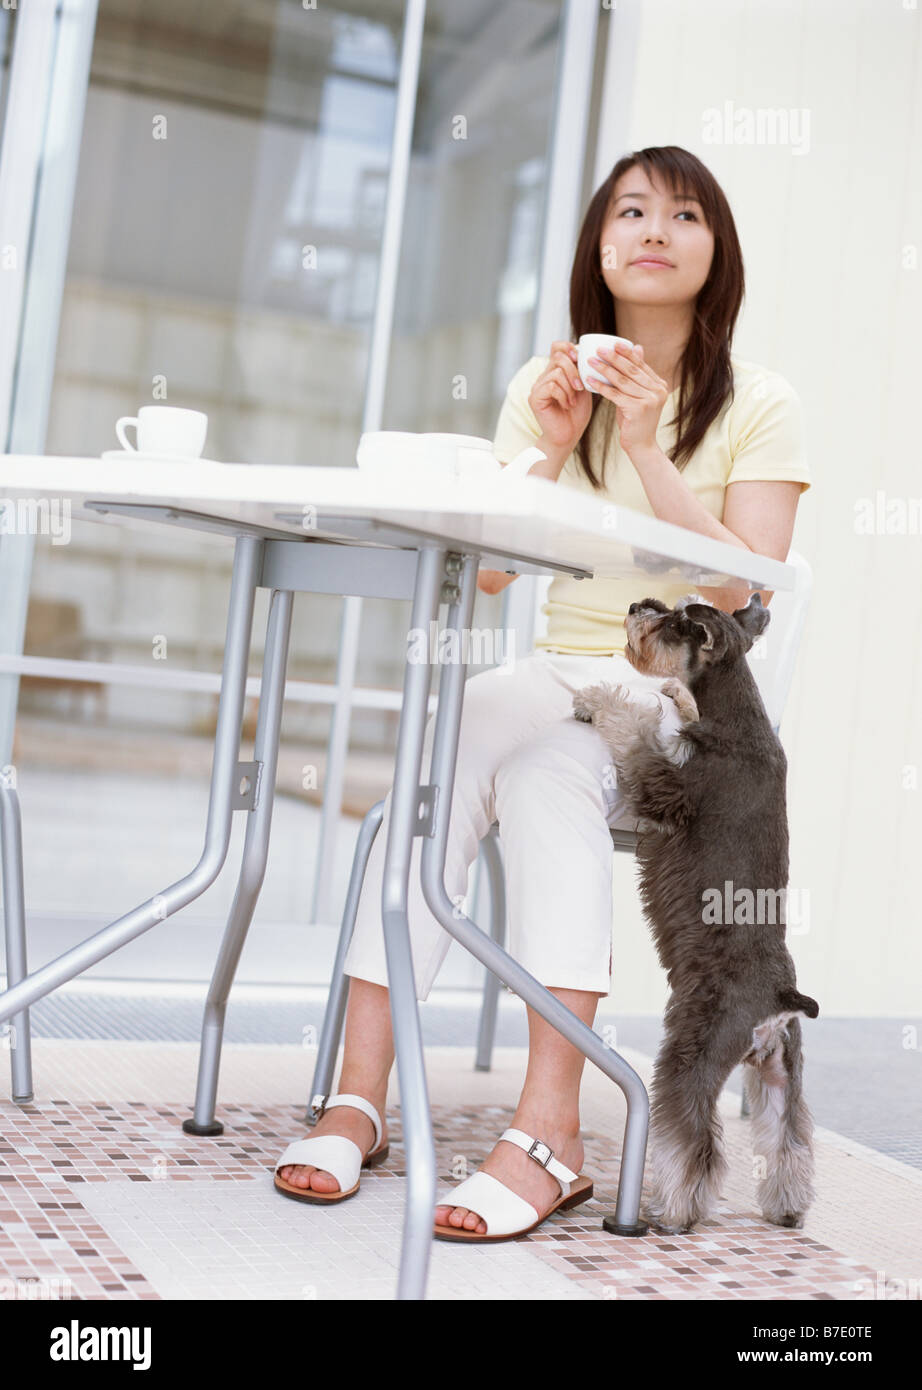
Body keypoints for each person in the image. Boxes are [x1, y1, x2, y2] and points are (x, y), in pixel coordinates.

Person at [275, 144, 813, 1239]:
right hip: (549, 666)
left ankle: (549, 1132)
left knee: (549, 775)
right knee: (451, 738)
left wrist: (649, 440)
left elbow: (743, 586)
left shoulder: (759, 401)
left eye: (682, 214)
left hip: (674, 700)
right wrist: (551, 447)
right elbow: (484, 569)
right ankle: (358, 1093)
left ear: (718, 252)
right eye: (629, 211)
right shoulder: (546, 381)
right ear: (598, 246)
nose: (652, 229)